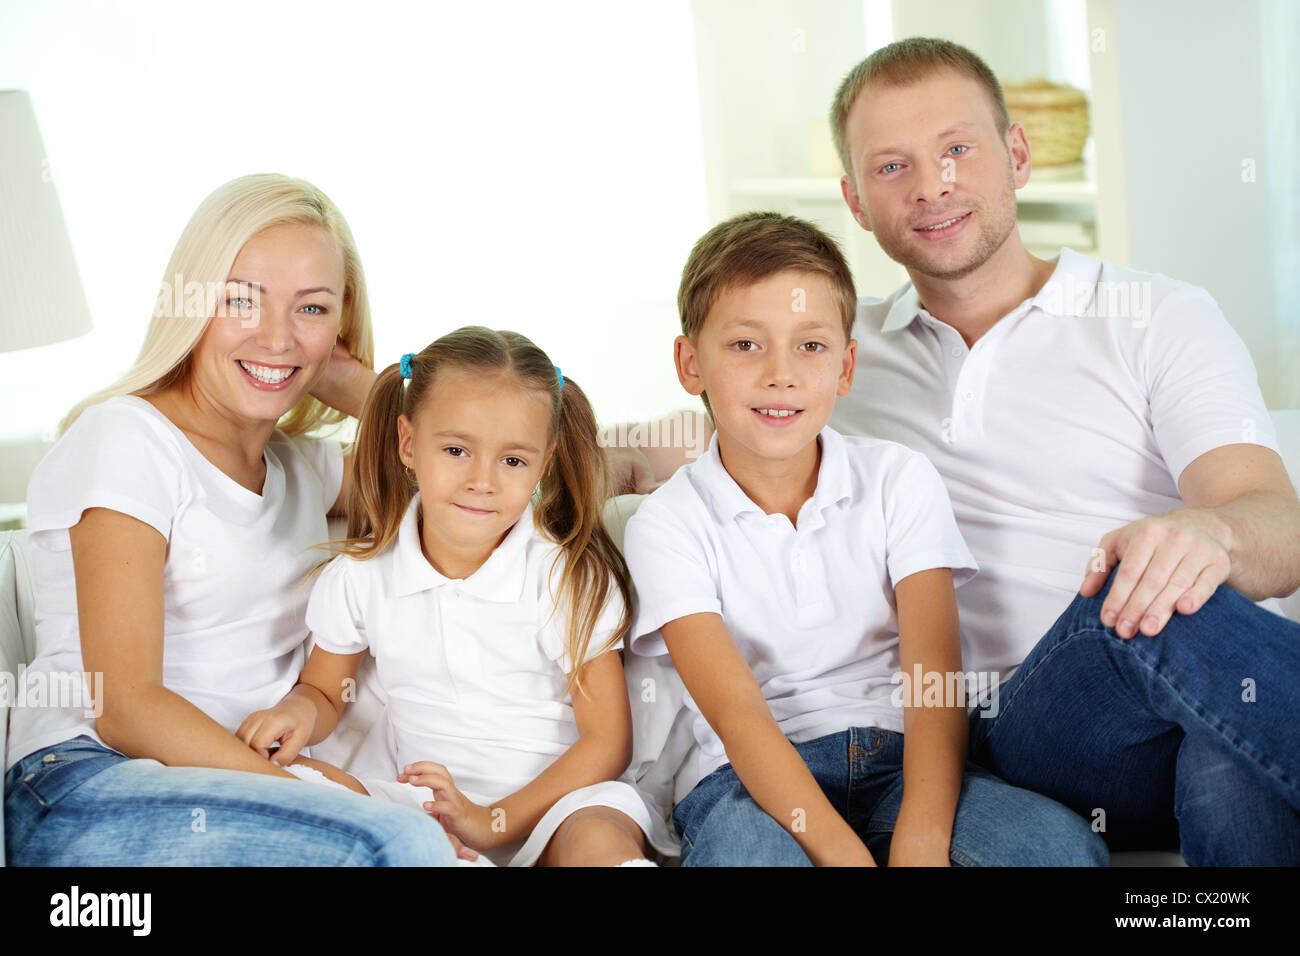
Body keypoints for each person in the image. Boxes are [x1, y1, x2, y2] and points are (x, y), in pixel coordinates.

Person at [821, 38, 1300, 863]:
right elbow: (664, 435)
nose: (932, 185)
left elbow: (1277, 527)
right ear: (856, 201)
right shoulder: (829, 352)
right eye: (891, 167)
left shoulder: (1158, 315)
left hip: (1152, 735)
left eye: (958, 150)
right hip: (1003, 741)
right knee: (1139, 608)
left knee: (1223, 754)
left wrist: (1208, 535)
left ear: (1016, 154)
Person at [622, 211, 1107, 866]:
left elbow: (934, 673)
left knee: (1059, 850)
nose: (780, 374)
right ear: (690, 363)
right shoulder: (668, 525)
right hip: (745, 778)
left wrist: (923, 836)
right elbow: (739, 719)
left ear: (846, 367)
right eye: (745, 345)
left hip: (899, 760)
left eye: (811, 346)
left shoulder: (898, 479)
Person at [4, 173, 457, 866]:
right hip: (89, 781)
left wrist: (356, 383)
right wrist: (307, 789)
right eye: (242, 300)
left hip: (231, 787)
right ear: (193, 303)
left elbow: (478, 478)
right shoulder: (126, 439)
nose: (275, 337)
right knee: (398, 844)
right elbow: (124, 705)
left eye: (311, 308)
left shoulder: (302, 468)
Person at [239, 327, 676, 866]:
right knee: (296, 782)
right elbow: (327, 692)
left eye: (513, 461)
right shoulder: (363, 574)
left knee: (599, 839)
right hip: (422, 806)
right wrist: (297, 713)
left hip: (560, 806)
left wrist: (491, 822)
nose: (482, 481)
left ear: (544, 462)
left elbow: (607, 744)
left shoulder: (566, 577)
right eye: (455, 450)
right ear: (407, 442)